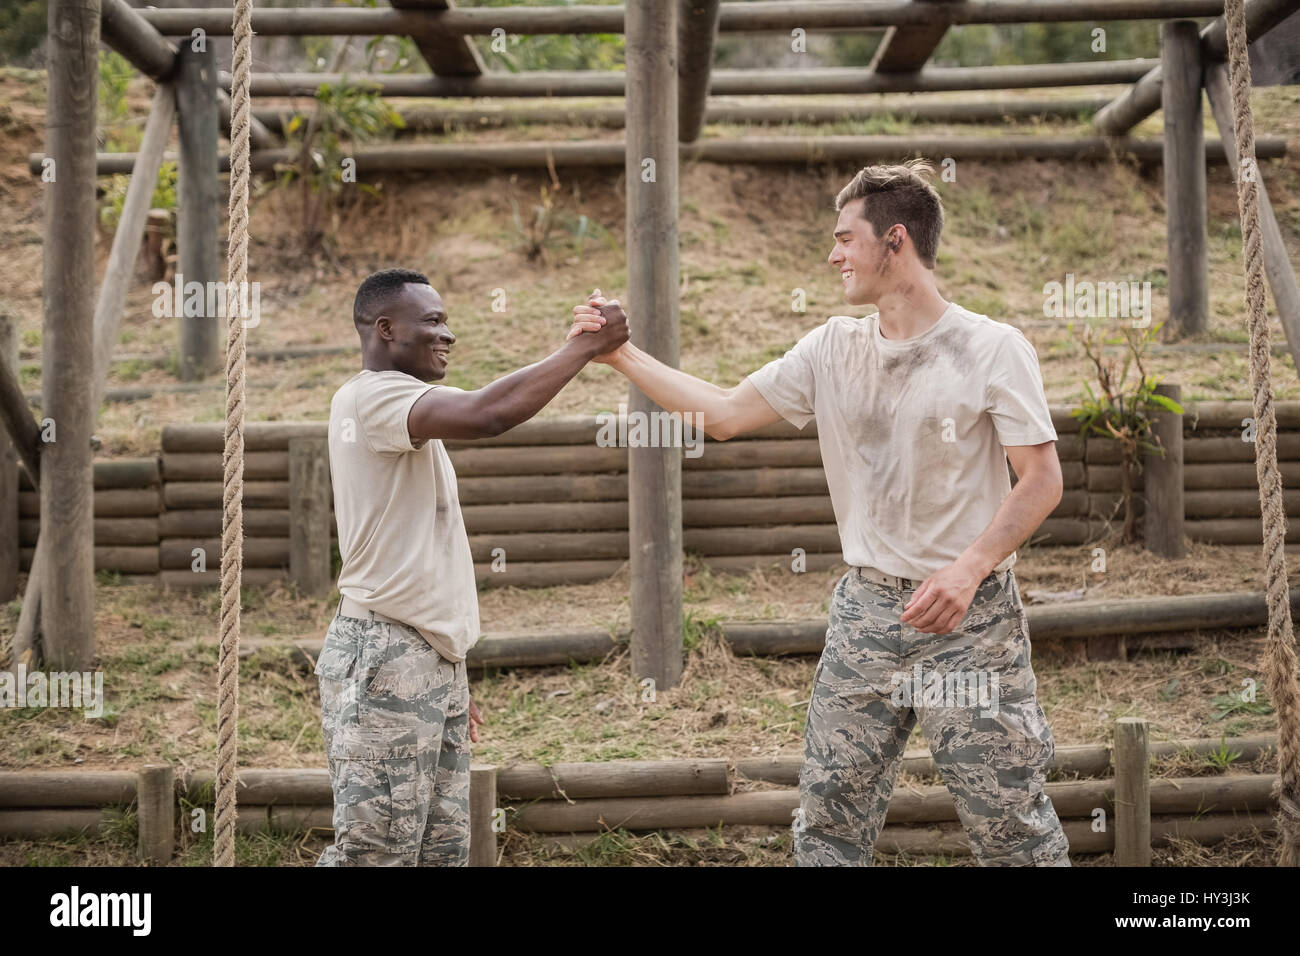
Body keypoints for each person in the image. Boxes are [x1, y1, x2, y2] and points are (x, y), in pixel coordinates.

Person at [569, 161, 1071, 866]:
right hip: (866, 615)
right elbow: (722, 415)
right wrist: (620, 355)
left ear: (894, 240)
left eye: (845, 238)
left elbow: (1043, 478)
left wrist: (969, 567)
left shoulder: (991, 348)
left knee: (1008, 820)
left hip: (971, 623)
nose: (833, 255)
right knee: (829, 820)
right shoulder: (832, 348)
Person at [316, 267, 628, 866]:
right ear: (385, 329)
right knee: (376, 855)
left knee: (441, 853)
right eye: (432, 322)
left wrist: (446, 660)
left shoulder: (403, 413)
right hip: (384, 656)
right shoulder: (372, 396)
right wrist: (584, 347)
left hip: (421, 657)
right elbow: (490, 413)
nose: (448, 334)